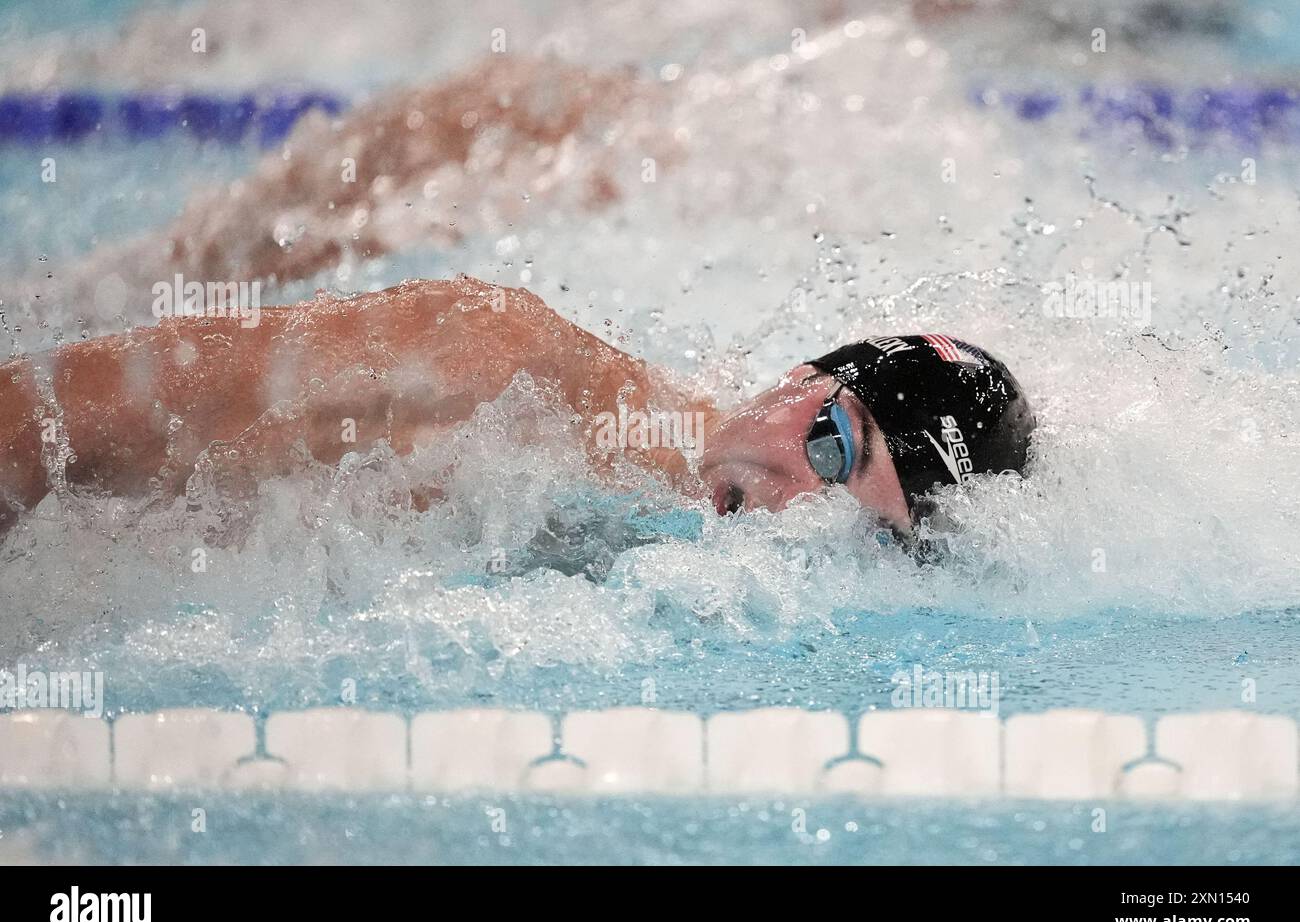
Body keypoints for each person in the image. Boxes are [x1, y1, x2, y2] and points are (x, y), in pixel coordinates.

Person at [0, 276, 1034, 538]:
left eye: (851, 520)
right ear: (796, 383)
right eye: (829, 444)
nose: (793, 502)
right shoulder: (489, 357)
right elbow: (36, 424)